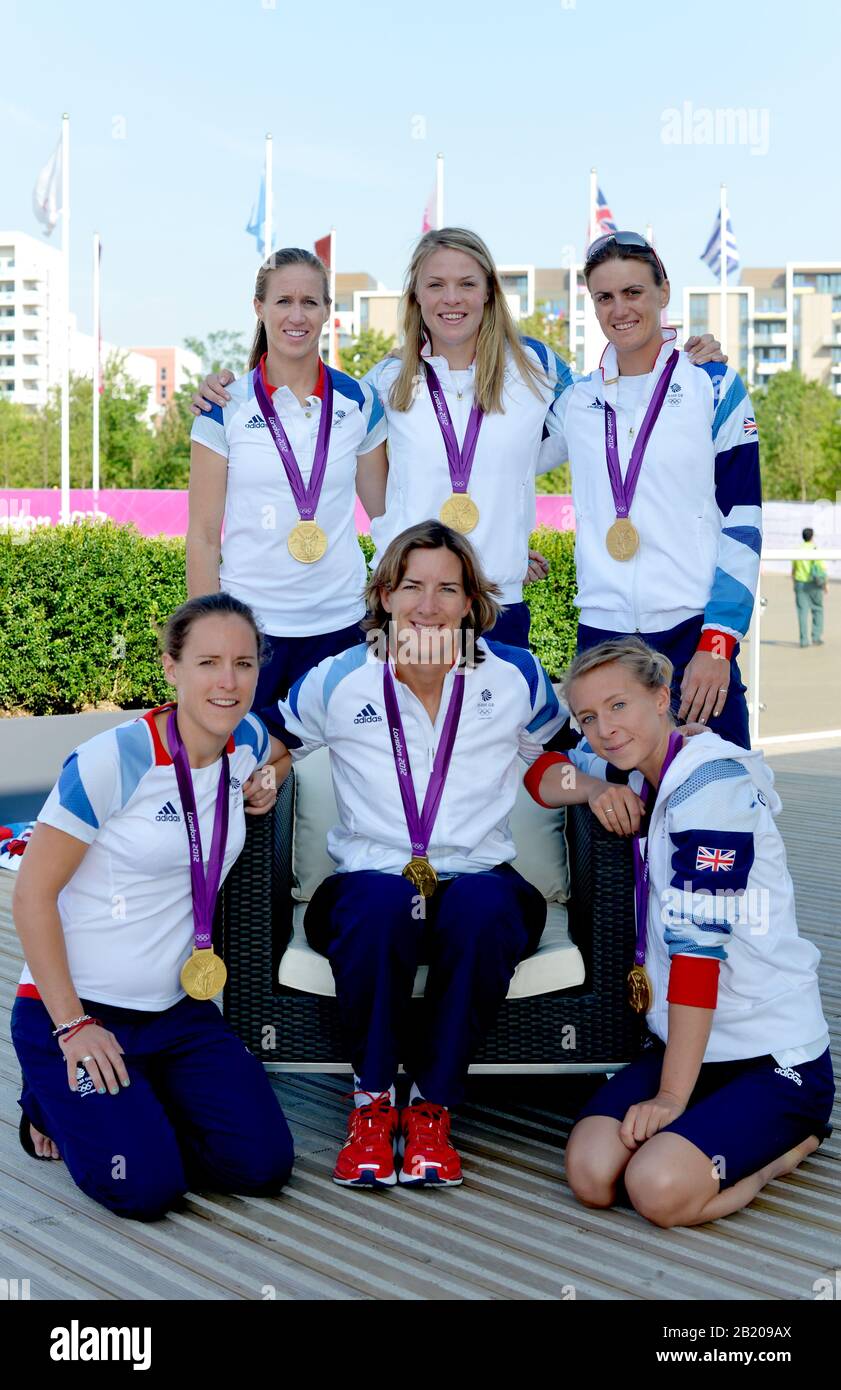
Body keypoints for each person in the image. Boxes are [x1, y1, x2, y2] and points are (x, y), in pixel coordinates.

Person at [192, 228, 723, 650]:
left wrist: (685, 362)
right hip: (411, 610)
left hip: (499, 605)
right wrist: (221, 392)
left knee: (485, 769)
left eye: (467, 283)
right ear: (416, 296)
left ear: (490, 289)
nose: (452, 299)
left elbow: (612, 417)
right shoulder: (383, 382)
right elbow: (335, 466)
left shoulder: (536, 366)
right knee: (413, 764)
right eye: (436, 285)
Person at [261, 521, 566, 1188]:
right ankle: (370, 1107)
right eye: (412, 587)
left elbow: (563, 748)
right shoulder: (339, 677)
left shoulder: (516, 674)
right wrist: (264, 778)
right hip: (367, 881)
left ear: (471, 602)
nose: (428, 604)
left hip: (481, 877)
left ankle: (432, 1107)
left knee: (485, 904)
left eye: (447, 589)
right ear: (385, 595)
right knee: (379, 901)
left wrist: (603, 782)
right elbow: (273, 741)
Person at [524, 638, 833, 1228]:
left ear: (663, 698)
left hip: (770, 1052)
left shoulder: (711, 790)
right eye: (589, 717)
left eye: (619, 706)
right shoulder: (636, 767)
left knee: (657, 1190)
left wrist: (669, 1098)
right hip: (689, 1046)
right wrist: (593, 789)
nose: (605, 730)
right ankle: (699, 1113)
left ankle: (788, 1150)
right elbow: (541, 774)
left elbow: (697, 958)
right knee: (591, 1175)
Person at [11, 593, 295, 1221]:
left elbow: (280, 750)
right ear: (172, 668)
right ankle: (47, 1093)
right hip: (79, 1012)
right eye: (208, 662)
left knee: (262, 1165)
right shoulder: (116, 759)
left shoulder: (243, 737)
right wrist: (72, 1025)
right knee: (144, 1189)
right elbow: (32, 894)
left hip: (180, 1014)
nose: (228, 682)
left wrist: (271, 775)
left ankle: (129, 1111)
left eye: (244, 664)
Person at [541, 231, 760, 748]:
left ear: (663, 292)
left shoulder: (714, 386)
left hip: (693, 633)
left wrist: (718, 640)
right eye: (605, 297)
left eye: (634, 292)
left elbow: (743, 516)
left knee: (720, 802)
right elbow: (500, 465)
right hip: (603, 635)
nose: (620, 309)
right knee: (612, 813)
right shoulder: (576, 400)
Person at [188, 248, 387, 707]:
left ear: (326, 311)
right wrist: (207, 634)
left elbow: (387, 518)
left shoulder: (361, 401)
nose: (296, 315)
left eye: (310, 302)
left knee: (341, 776)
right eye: (283, 301)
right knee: (251, 773)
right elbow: (201, 535)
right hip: (250, 632)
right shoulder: (224, 405)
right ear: (259, 308)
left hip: (343, 628)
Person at [792, 526, 828, 647]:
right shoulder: (815, 549)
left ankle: (804, 640)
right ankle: (816, 637)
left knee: (802, 612)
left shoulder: (798, 550)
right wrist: (825, 584)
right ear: (812, 536)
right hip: (814, 583)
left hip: (800, 583)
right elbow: (821, 569)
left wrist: (794, 582)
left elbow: (794, 569)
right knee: (817, 609)